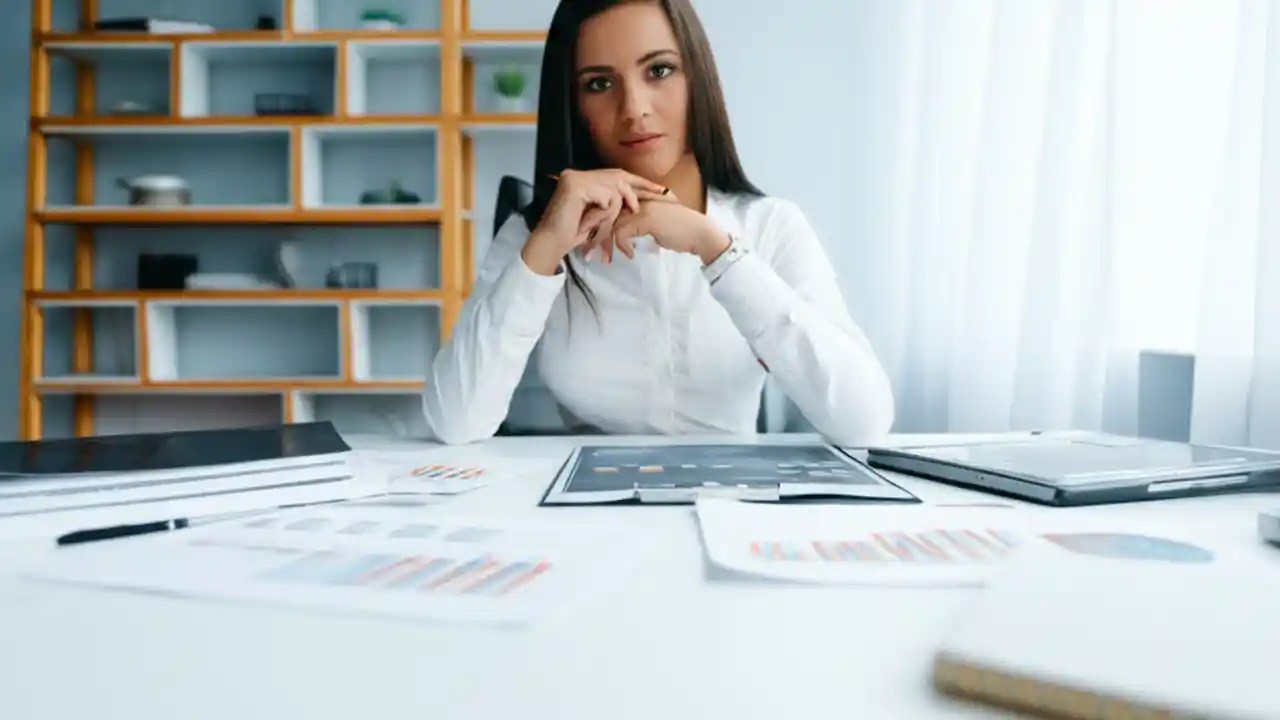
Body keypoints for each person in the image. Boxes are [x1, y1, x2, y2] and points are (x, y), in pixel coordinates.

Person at [422, 0, 895, 446]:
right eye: (599, 84)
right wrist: (545, 245)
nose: (634, 108)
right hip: (585, 511)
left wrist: (716, 249)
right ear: (573, 106)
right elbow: (455, 422)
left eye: (659, 70)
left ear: (698, 79)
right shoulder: (536, 236)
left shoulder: (770, 225)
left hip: (735, 506)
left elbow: (865, 421)